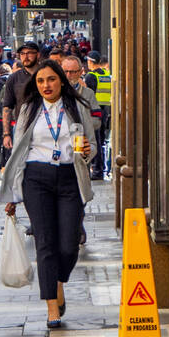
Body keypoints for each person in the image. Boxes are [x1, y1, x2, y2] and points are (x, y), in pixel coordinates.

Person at [0, 60, 96, 328]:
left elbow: (93, 147)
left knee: (68, 245)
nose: (46, 85)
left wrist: (88, 151)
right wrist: (12, 194)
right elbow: (18, 151)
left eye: (51, 80)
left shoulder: (76, 107)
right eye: (41, 81)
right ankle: (52, 308)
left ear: (62, 81)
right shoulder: (29, 109)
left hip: (69, 178)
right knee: (45, 242)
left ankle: (58, 281)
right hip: (36, 179)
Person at [61, 54, 101, 242]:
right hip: (59, 154)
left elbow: (98, 119)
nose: (69, 75)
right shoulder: (55, 94)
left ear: (80, 72)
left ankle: (78, 223)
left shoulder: (88, 95)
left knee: (80, 191)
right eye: (65, 71)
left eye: (73, 71)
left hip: (80, 151)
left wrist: (83, 126)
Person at [1, 40, 41, 152]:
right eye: (22, 54)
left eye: (29, 53)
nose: (25, 57)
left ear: (38, 55)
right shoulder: (14, 78)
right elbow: (7, 107)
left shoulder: (46, 74)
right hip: (22, 128)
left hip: (46, 127)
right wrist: (6, 134)